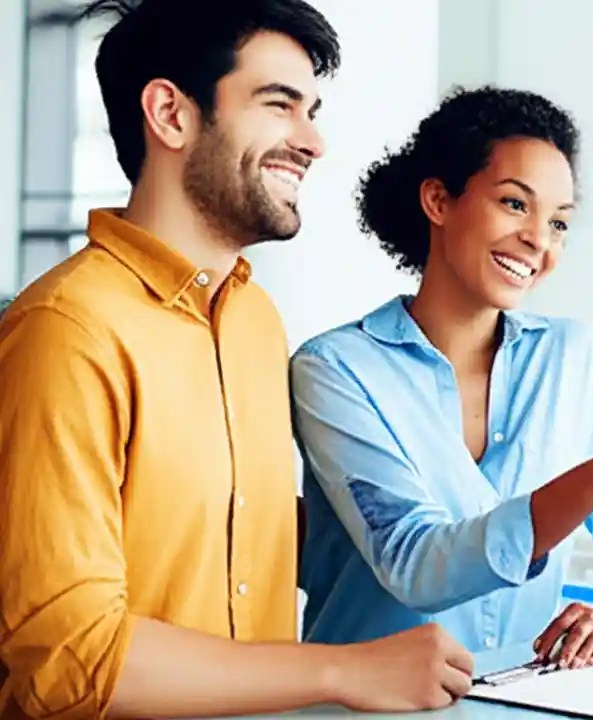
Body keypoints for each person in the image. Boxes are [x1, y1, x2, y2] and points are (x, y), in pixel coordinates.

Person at [0, 1, 474, 717]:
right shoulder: (66, 330)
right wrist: (341, 670)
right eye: (280, 104)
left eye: (312, 109)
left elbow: (224, 534)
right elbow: (71, 657)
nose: (313, 140)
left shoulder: (253, 320)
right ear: (170, 113)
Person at [290, 86, 593, 669]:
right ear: (439, 200)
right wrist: (592, 482)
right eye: (515, 204)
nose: (539, 239)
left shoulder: (579, 359)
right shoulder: (334, 370)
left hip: (521, 702)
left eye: (560, 222)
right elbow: (414, 563)